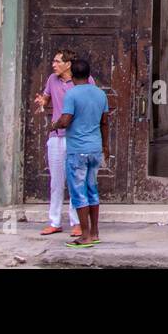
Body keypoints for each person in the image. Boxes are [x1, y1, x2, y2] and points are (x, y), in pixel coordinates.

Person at [47, 58, 110, 249]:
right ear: (89, 75)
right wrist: (106, 147)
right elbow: (104, 123)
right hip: (95, 149)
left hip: (77, 150)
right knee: (92, 190)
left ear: (72, 76)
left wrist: (54, 124)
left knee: (78, 192)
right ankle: (95, 232)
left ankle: (84, 236)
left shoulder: (72, 94)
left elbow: (66, 120)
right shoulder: (100, 94)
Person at [32, 49, 95, 238]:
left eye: (58, 61)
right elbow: (47, 97)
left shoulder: (85, 80)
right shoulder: (52, 79)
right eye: (54, 61)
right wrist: (43, 101)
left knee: (77, 180)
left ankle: (77, 222)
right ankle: (55, 221)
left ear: (68, 64)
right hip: (57, 137)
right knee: (56, 181)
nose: (54, 64)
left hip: (76, 138)